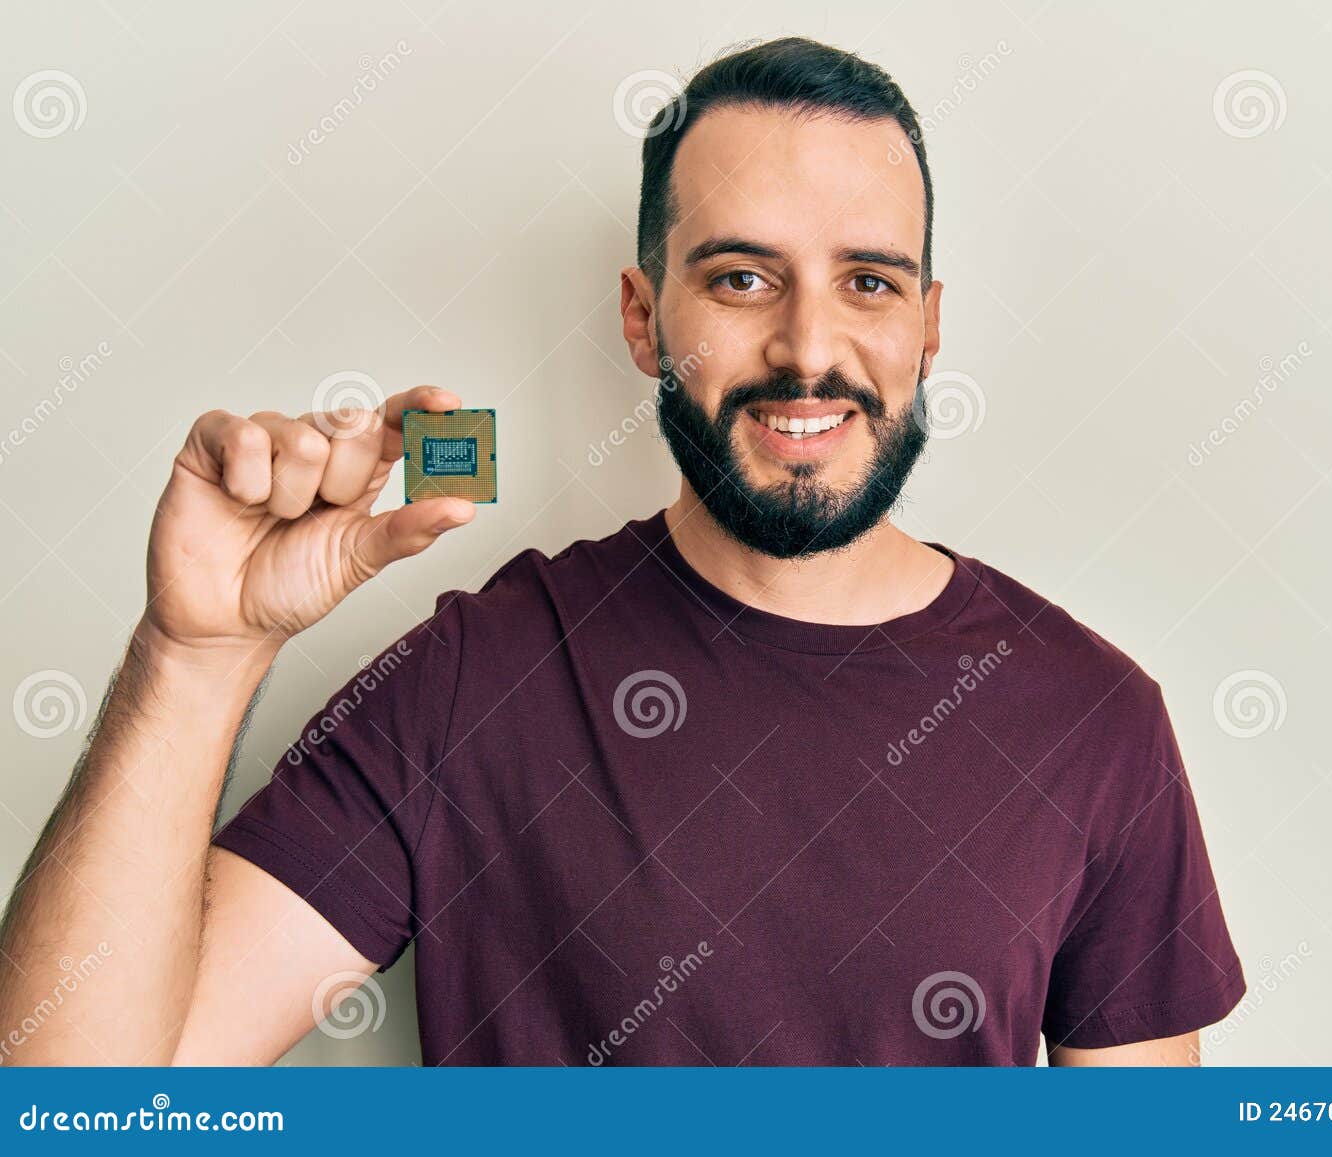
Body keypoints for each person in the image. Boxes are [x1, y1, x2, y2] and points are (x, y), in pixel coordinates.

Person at [0, 36, 1245, 1066]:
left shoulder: (1093, 719)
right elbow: (75, 1107)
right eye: (743, 278)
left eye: (867, 282)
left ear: (927, 329)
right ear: (644, 319)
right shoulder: (473, 677)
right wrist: (196, 652)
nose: (809, 349)